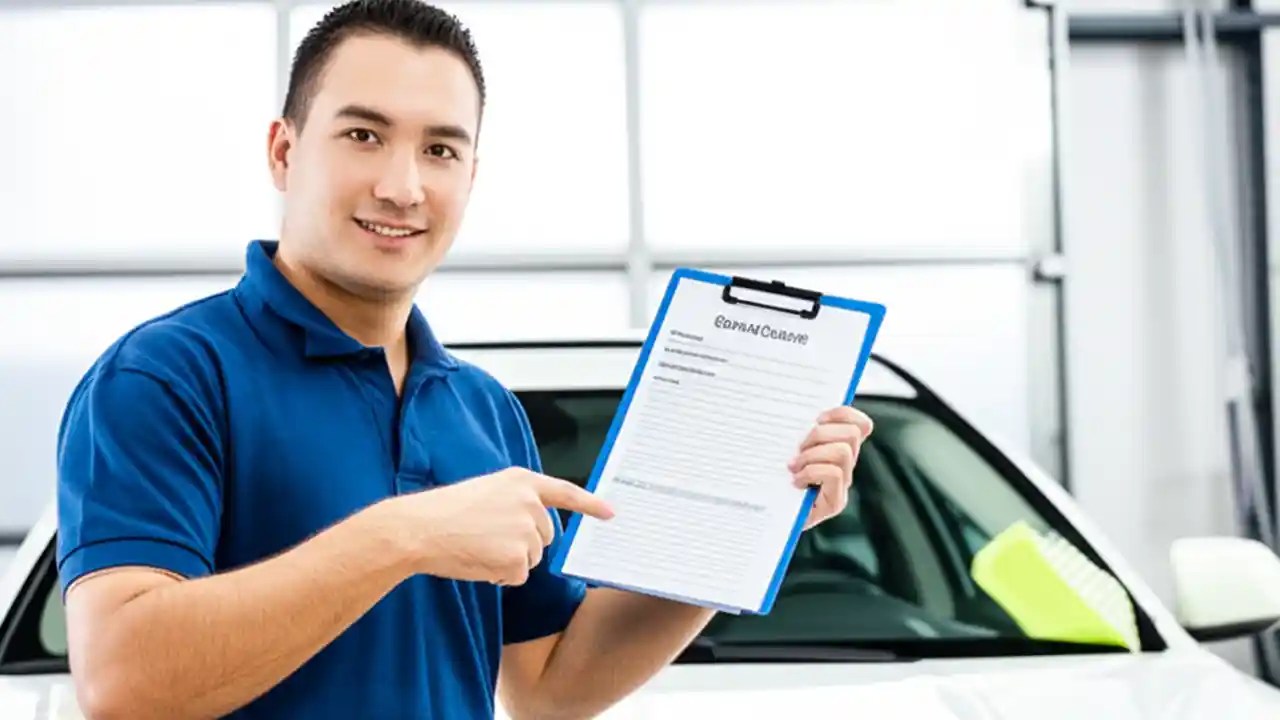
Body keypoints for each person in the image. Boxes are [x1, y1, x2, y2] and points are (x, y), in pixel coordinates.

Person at [54, 1, 874, 718]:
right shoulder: (164, 378)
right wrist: (404, 536)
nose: (403, 186)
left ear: (471, 176)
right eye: (364, 135)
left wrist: (744, 522)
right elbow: (125, 682)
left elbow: (551, 691)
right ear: (283, 150)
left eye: (441, 150)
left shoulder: (482, 410)